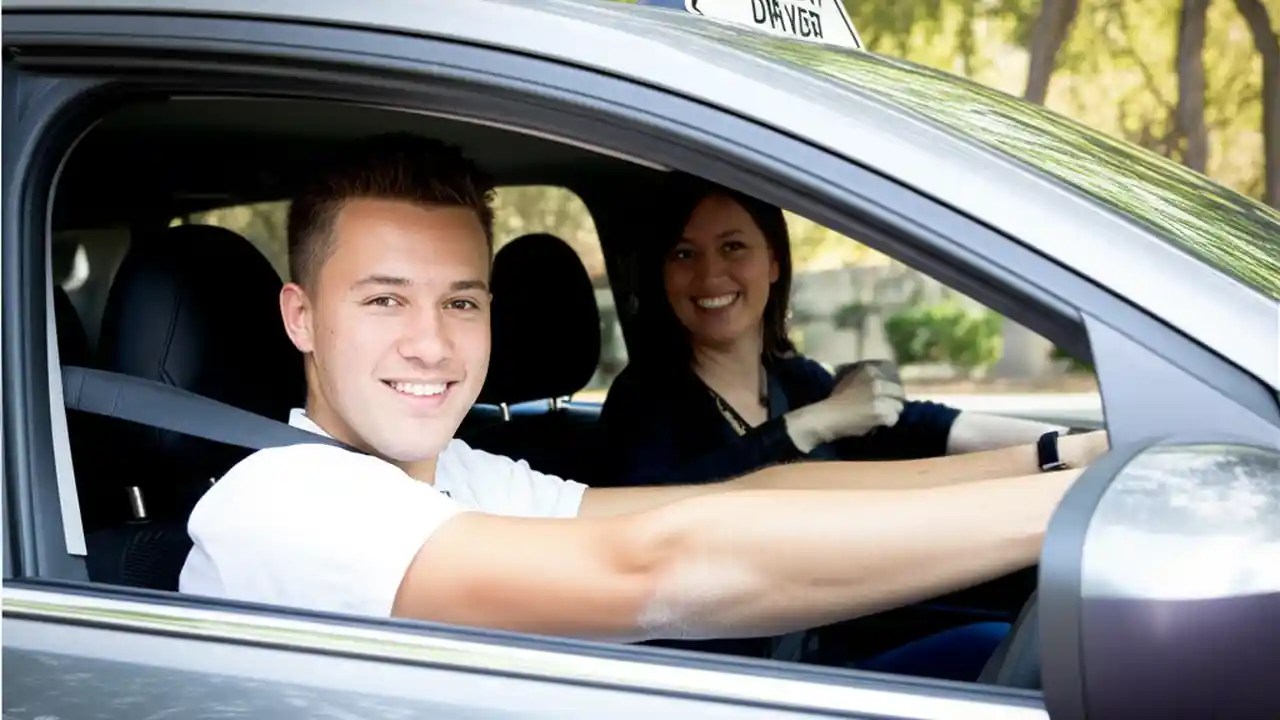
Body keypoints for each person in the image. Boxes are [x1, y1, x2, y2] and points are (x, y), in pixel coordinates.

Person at [178, 134, 1107, 673]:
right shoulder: (279, 502)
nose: (431, 342)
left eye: (460, 301)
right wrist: (1081, 513)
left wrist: (1069, 460)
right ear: (300, 318)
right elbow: (657, 567)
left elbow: (739, 501)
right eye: (384, 300)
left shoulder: (455, 475)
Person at [600, 177, 1091, 490]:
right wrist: (810, 426)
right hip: (730, 652)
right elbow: (651, 507)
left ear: (773, 262)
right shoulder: (644, 399)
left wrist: (1070, 445)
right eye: (684, 254)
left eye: (732, 247)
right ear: (662, 276)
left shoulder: (794, 381)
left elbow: (921, 428)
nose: (710, 276)